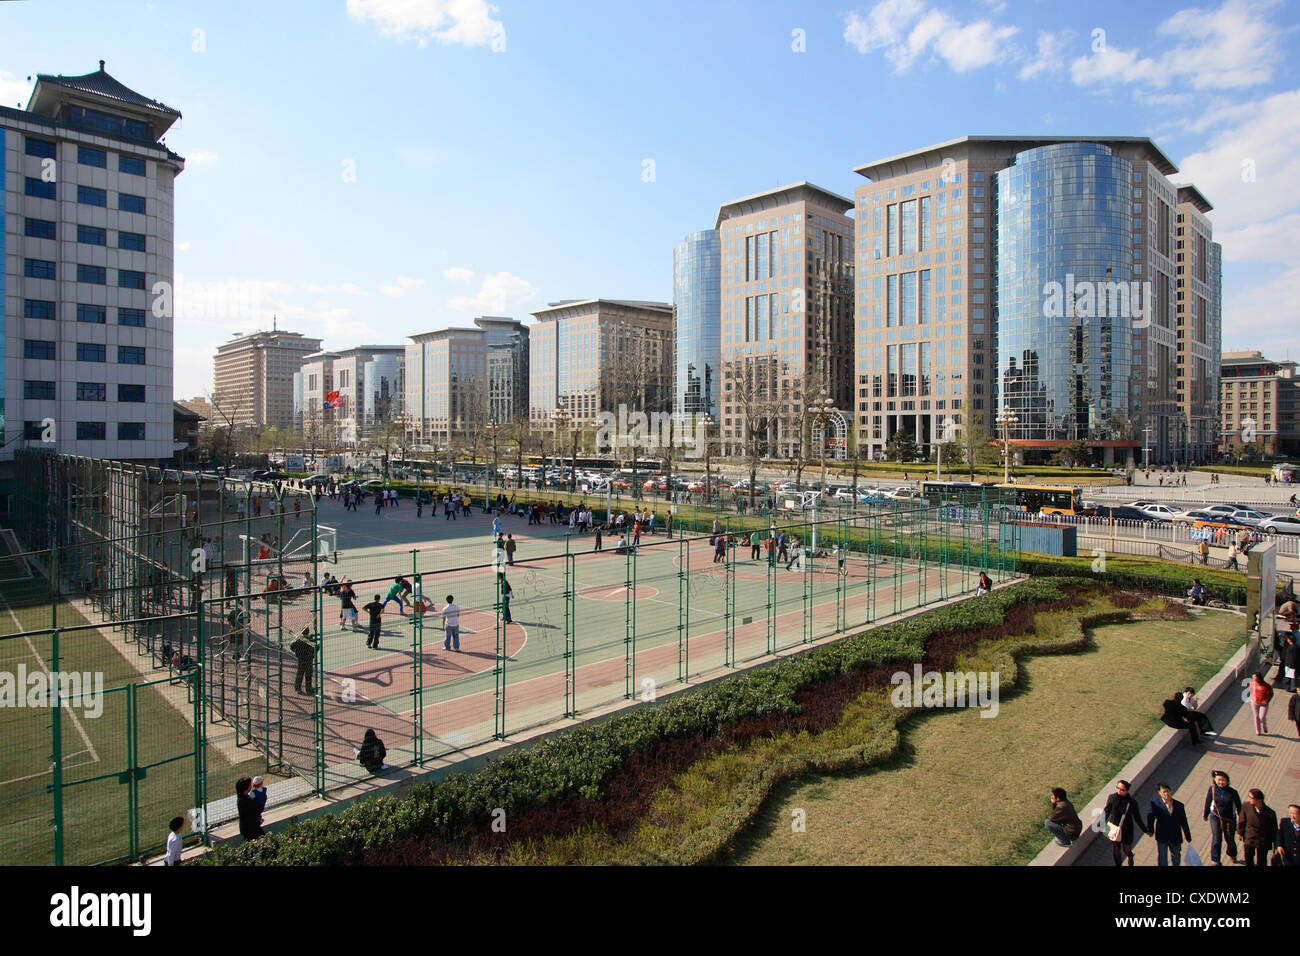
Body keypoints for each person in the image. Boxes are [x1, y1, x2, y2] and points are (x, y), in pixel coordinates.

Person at [1103, 779, 1149, 866]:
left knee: (1126, 848)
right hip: (1114, 827)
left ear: (1127, 791)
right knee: (1116, 849)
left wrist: (1145, 830)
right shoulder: (1112, 798)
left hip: (1127, 829)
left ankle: (1130, 856)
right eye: (1117, 788)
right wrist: (1101, 823)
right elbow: (1107, 811)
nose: (1119, 791)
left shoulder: (1131, 802)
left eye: (1122, 790)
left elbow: (1137, 817)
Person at [1146, 782, 1192, 867]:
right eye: (1164, 792)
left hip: (1175, 835)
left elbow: (1183, 821)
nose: (1167, 793)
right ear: (1159, 793)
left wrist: (1187, 835)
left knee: (1176, 856)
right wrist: (1150, 830)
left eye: (1168, 791)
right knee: (1162, 857)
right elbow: (1151, 817)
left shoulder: (1179, 805)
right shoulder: (1155, 804)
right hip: (1162, 835)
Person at [1203, 770, 1242, 865]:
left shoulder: (1233, 792)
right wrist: (1205, 814)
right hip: (1215, 816)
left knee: (1230, 840)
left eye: (1223, 780)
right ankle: (1215, 860)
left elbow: (1239, 807)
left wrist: (1242, 821)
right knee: (1216, 838)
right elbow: (1208, 802)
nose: (1221, 782)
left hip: (1229, 819)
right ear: (1215, 780)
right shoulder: (1212, 789)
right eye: (1219, 780)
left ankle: (1232, 854)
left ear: (1227, 781)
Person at [1239, 788, 1278, 867]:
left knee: (1262, 860)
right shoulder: (1246, 806)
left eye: (1251, 798)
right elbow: (1241, 820)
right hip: (1250, 837)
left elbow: (1274, 829)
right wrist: (1240, 832)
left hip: (1263, 839)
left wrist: (1275, 843)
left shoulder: (1270, 813)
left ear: (1258, 800)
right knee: (1248, 856)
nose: (1249, 799)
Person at [236, 777, 263, 842]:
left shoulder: (241, 798)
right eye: (249, 785)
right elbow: (256, 811)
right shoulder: (247, 801)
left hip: (246, 828)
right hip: (251, 829)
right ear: (246, 788)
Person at [289, 626, 314, 695]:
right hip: (309, 659)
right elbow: (316, 647)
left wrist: (296, 651)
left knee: (300, 674)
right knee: (308, 675)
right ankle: (309, 689)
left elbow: (291, 646)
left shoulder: (299, 640)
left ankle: (298, 689)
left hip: (301, 659)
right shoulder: (309, 639)